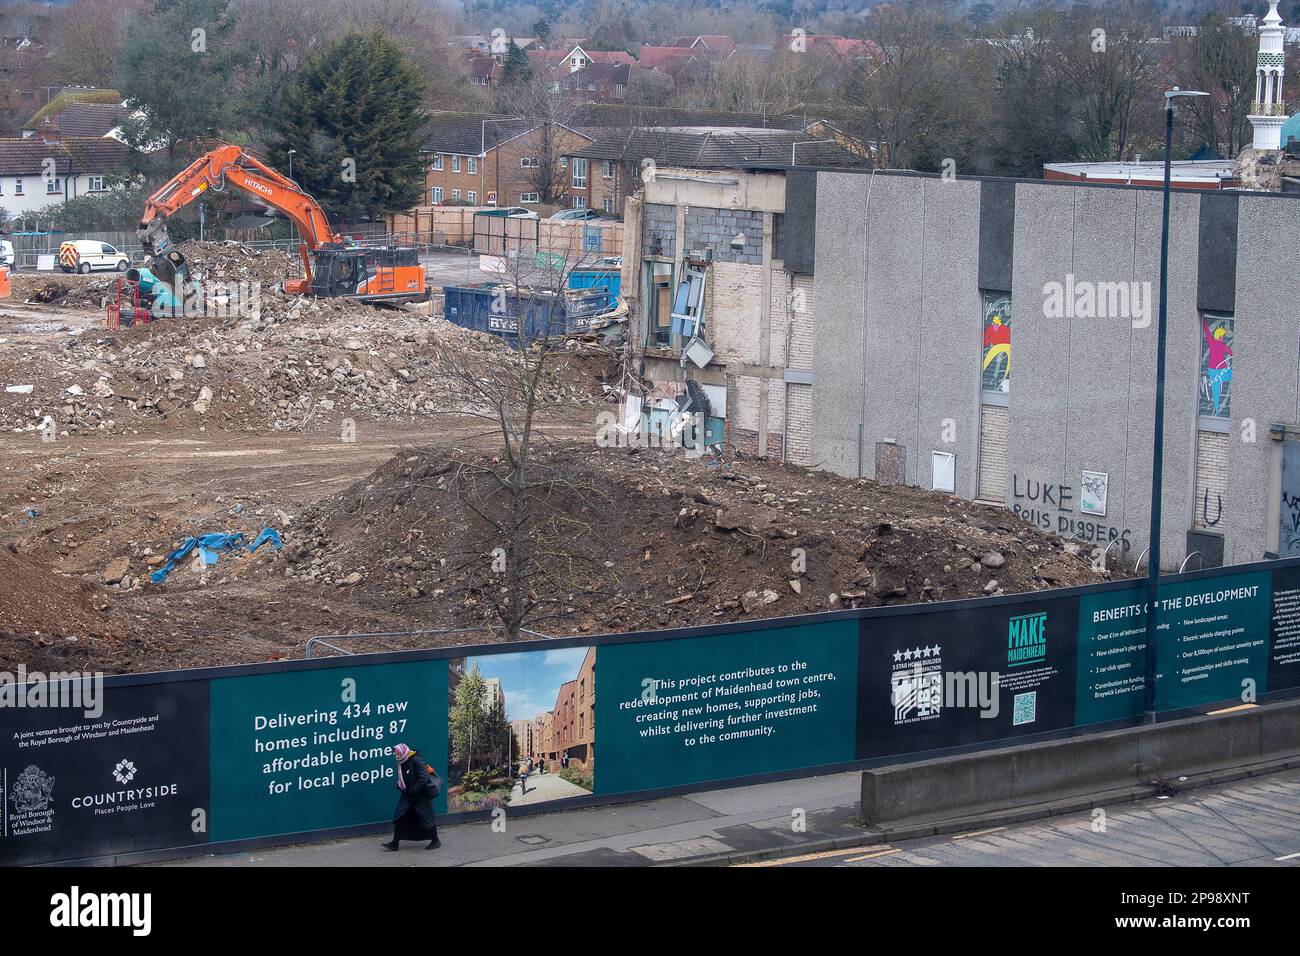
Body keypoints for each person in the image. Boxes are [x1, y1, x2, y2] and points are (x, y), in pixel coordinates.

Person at [382, 743, 440, 851]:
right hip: (407, 795)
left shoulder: (416, 760)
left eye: (398, 753)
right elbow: (405, 777)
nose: (396, 755)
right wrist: (400, 784)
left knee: (427, 818)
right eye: (395, 754)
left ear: (403, 752)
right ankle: (395, 843)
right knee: (400, 817)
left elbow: (424, 777)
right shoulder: (402, 762)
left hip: (420, 796)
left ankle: (435, 840)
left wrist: (414, 790)